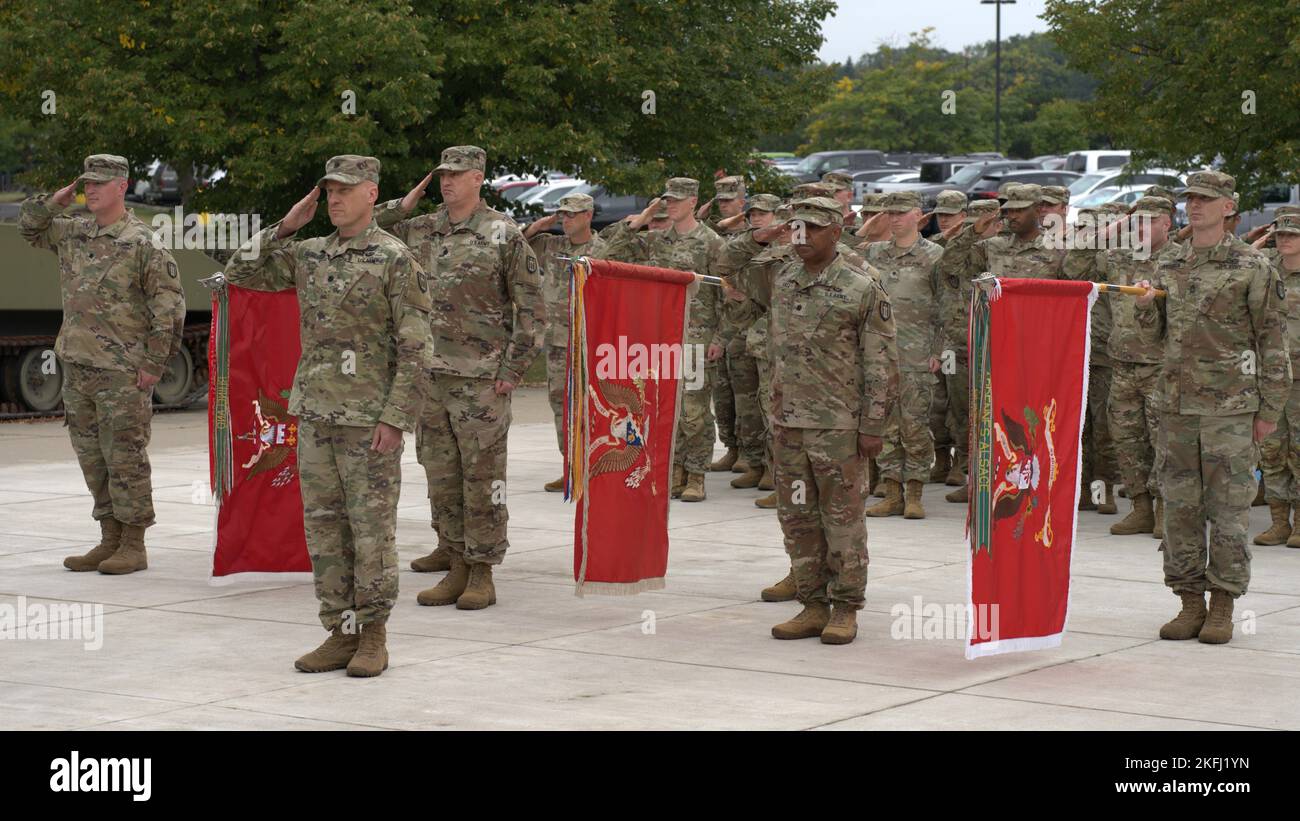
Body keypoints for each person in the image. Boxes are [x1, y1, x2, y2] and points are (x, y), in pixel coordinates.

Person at [224, 154, 433, 676]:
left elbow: (417, 349)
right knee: (323, 530)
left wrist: (395, 417)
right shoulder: (311, 253)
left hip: (368, 420)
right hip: (315, 412)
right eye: (328, 191)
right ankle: (339, 633)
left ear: (371, 192)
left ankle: (374, 637)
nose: (334, 198)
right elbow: (240, 270)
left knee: (370, 530)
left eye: (345, 189)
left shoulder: (395, 259)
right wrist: (287, 225)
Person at [718, 197, 899, 644]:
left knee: (842, 518)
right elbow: (727, 261)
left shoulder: (861, 286)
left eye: (812, 228)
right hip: (787, 422)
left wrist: (874, 425)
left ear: (836, 232)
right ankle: (812, 603)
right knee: (797, 517)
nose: (801, 236)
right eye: (796, 227)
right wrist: (760, 234)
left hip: (839, 426)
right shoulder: (781, 276)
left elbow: (881, 362)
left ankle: (845, 607)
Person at [376, 146, 544, 609]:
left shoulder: (502, 234)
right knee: (441, 473)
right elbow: (370, 228)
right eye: (442, 175)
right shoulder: (423, 229)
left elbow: (532, 308)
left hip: (481, 380)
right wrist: (404, 203)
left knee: (482, 475)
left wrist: (512, 370)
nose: (447, 182)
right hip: (429, 376)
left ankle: (482, 570)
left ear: (478, 179)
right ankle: (453, 557)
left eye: (457, 175)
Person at [1134, 171, 1289, 645]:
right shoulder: (1171, 261)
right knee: (1179, 509)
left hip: (1231, 409)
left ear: (1228, 206)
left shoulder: (1252, 264)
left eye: (1205, 199)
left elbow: (1271, 340)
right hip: (1176, 408)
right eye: (1190, 199)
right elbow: (1153, 336)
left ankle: (1222, 603)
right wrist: (1144, 305)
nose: (1194, 206)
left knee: (1228, 511)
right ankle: (1188, 601)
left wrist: (1269, 409)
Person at [18, 154, 185, 577]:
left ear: (122, 187)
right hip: (78, 366)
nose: (90, 190)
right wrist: (56, 201)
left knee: (124, 456)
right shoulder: (74, 232)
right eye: (86, 183)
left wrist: (153, 363)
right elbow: (30, 226)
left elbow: (169, 307)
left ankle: (133, 543)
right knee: (91, 456)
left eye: (99, 183)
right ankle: (109, 536)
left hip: (122, 371)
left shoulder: (142, 242)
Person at [603, 178, 724, 502]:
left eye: (676, 200)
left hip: (697, 335)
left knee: (694, 411)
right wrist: (641, 220)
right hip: (661, 337)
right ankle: (676, 470)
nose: (670, 205)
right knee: (664, 408)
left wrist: (720, 337)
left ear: (693, 202)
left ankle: (696, 474)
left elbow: (728, 294)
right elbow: (611, 253)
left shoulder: (711, 242)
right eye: (667, 200)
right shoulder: (656, 240)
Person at [863, 191, 942, 520]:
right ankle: (891, 490)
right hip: (881, 355)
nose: (893, 219)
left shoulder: (934, 255)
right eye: (889, 213)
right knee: (884, 426)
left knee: (914, 426)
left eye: (900, 212)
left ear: (918, 216)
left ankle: (914, 492)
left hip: (917, 355)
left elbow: (944, 306)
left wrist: (938, 350)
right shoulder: (875, 253)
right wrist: (867, 228)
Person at [523, 193, 607, 491]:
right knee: (561, 404)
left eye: (572, 214)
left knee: (593, 405)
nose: (566, 220)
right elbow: (515, 248)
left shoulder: (603, 250)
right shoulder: (551, 245)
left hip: (590, 342)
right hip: (558, 341)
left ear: (588, 215)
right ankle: (572, 466)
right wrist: (535, 227)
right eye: (563, 214)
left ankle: (597, 467)